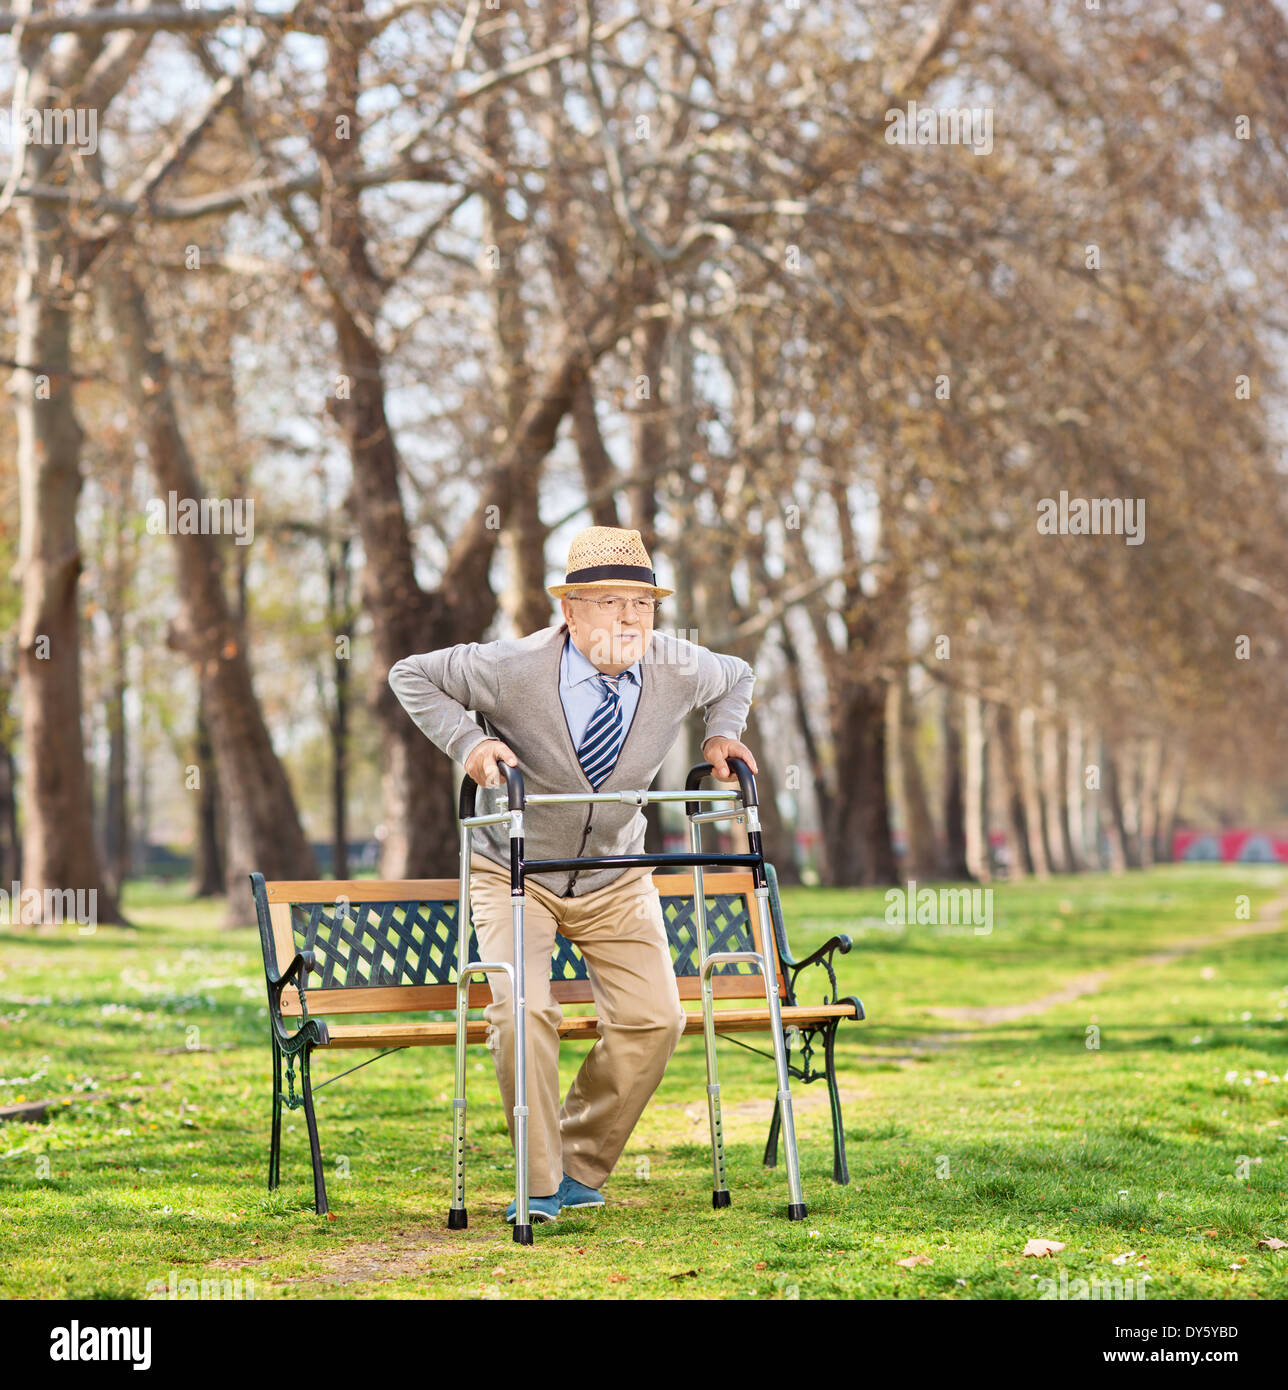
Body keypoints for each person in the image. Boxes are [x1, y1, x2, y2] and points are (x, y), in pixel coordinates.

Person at [387, 525, 758, 1225]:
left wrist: (719, 733)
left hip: (615, 873)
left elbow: (737, 674)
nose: (629, 618)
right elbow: (410, 673)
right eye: (610, 602)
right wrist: (469, 741)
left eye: (642, 604)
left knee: (657, 1019)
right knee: (522, 1011)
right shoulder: (509, 666)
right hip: (514, 870)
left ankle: (577, 1163)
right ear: (571, 611)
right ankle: (536, 1185)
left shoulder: (678, 665)